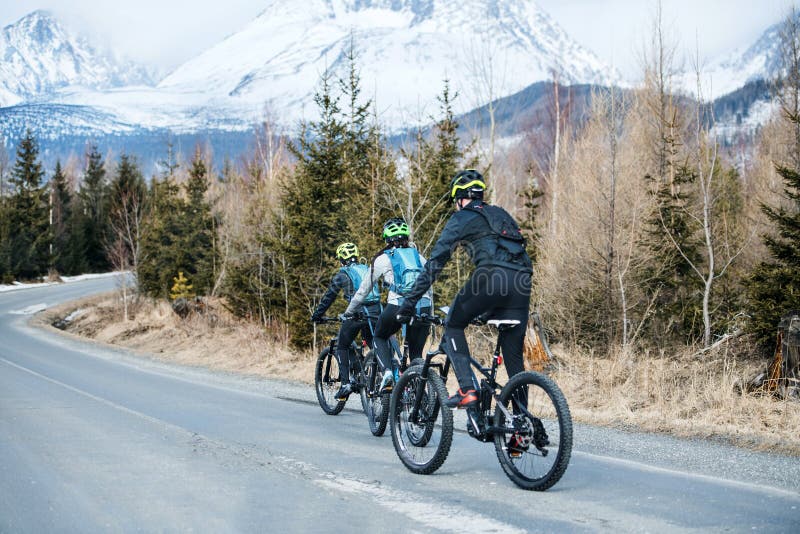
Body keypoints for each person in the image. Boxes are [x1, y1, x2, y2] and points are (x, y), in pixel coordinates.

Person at [395, 169, 533, 410]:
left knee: (453, 324)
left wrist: (408, 303)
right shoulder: (500, 213)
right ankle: (522, 421)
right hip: (522, 280)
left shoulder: (461, 218)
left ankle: (467, 389)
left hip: (491, 276)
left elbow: (435, 264)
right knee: (514, 361)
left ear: (460, 198)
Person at [344, 218, 432, 392]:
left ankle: (387, 373)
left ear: (387, 239)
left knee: (379, 336)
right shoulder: (419, 257)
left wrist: (350, 310)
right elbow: (429, 287)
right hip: (423, 306)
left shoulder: (383, 259)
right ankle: (420, 396)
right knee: (416, 354)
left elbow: (363, 290)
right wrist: (429, 313)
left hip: (398, 305)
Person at [311, 242, 381, 400]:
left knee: (342, 345)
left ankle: (345, 384)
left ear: (342, 259)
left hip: (356, 313)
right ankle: (379, 371)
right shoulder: (366, 269)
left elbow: (329, 297)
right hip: (375, 312)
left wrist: (317, 315)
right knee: (374, 343)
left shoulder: (343, 274)